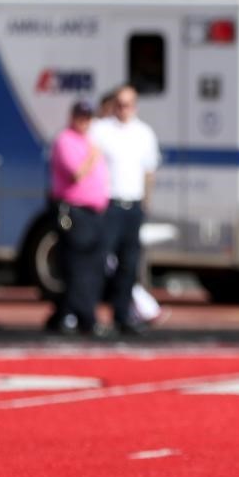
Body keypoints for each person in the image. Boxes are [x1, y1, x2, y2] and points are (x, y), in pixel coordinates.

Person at [90, 84, 160, 333]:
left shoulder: (144, 133)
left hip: (133, 204)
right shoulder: (101, 130)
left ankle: (123, 313)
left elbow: (149, 171)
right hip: (110, 203)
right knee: (99, 260)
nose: (123, 109)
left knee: (129, 264)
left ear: (135, 106)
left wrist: (146, 203)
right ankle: (91, 313)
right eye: (119, 104)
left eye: (128, 104)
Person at [45, 101, 110, 336]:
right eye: (81, 117)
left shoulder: (87, 141)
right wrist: (93, 156)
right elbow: (77, 174)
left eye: (88, 118)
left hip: (94, 212)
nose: (85, 122)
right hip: (75, 211)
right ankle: (82, 316)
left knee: (93, 266)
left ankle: (68, 313)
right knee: (78, 265)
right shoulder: (66, 140)